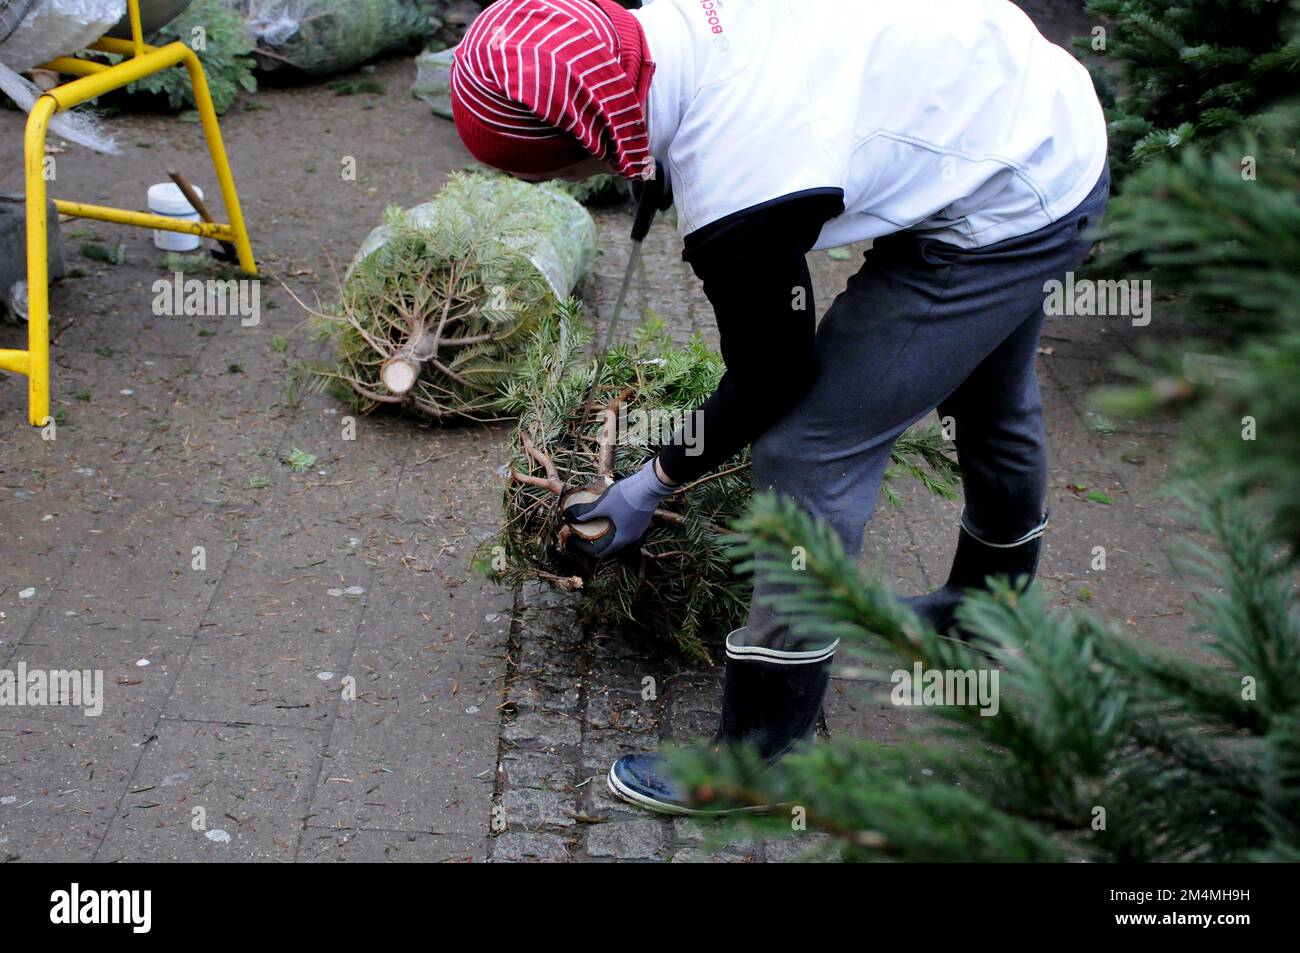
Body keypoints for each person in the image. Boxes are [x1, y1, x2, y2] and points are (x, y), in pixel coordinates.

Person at [450, 0, 1109, 814]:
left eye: (550, 174)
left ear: (586, 141)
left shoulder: (740, 180)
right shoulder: (661, 38)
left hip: (1009, 197)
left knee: (807, 450)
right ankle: (988, 610)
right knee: (989, 394)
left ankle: (765, 758)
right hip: (1022, 104)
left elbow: (773, 377)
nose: (561, 188)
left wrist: (648, 484)